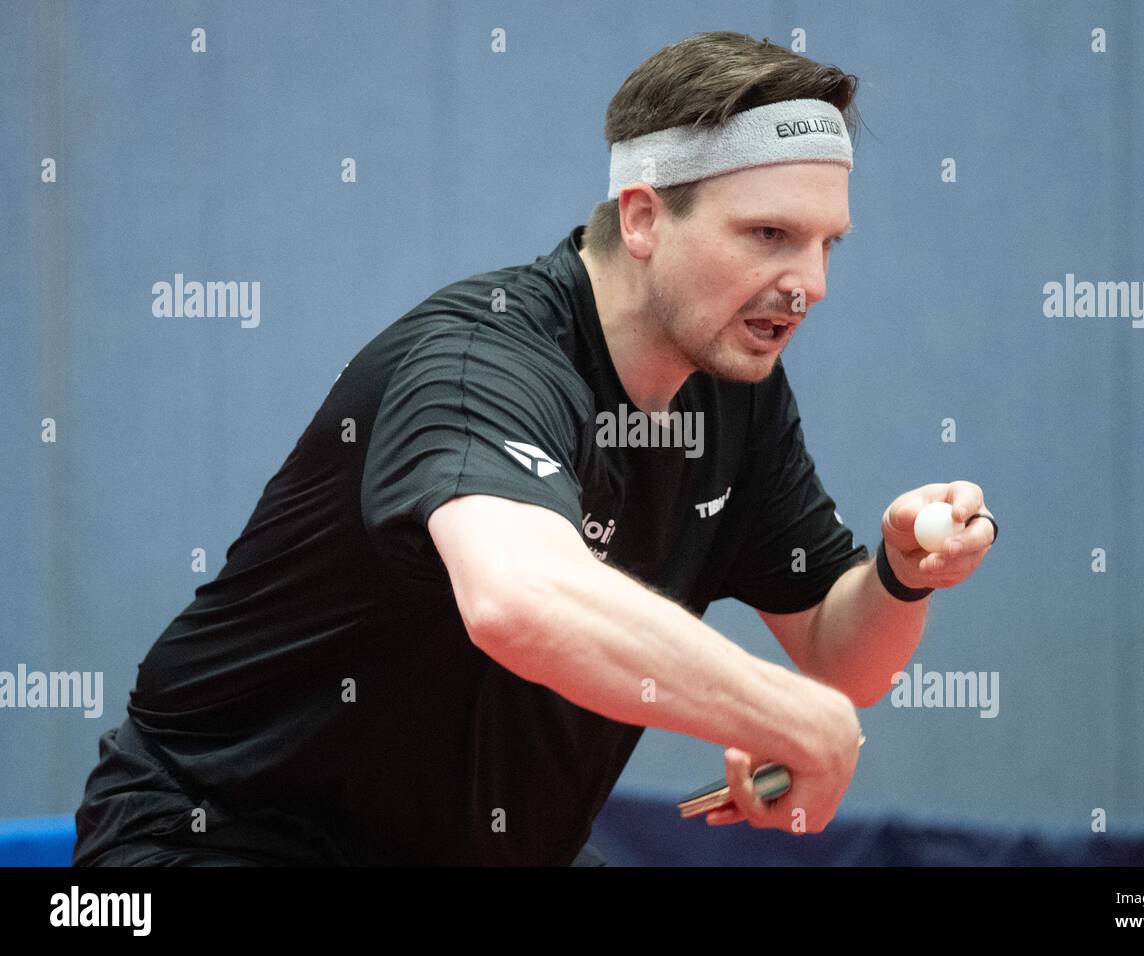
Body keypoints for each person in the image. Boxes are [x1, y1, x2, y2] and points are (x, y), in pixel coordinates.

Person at [73, 31, 996, 867]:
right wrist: (786, 716)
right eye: (769, 236)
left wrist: (901, 573)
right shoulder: (481, 359)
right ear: (642, 218)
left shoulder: (733, 396)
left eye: (828, 244)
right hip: (219, 836)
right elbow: (518, 599)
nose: (810, 285)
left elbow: (844, 660)